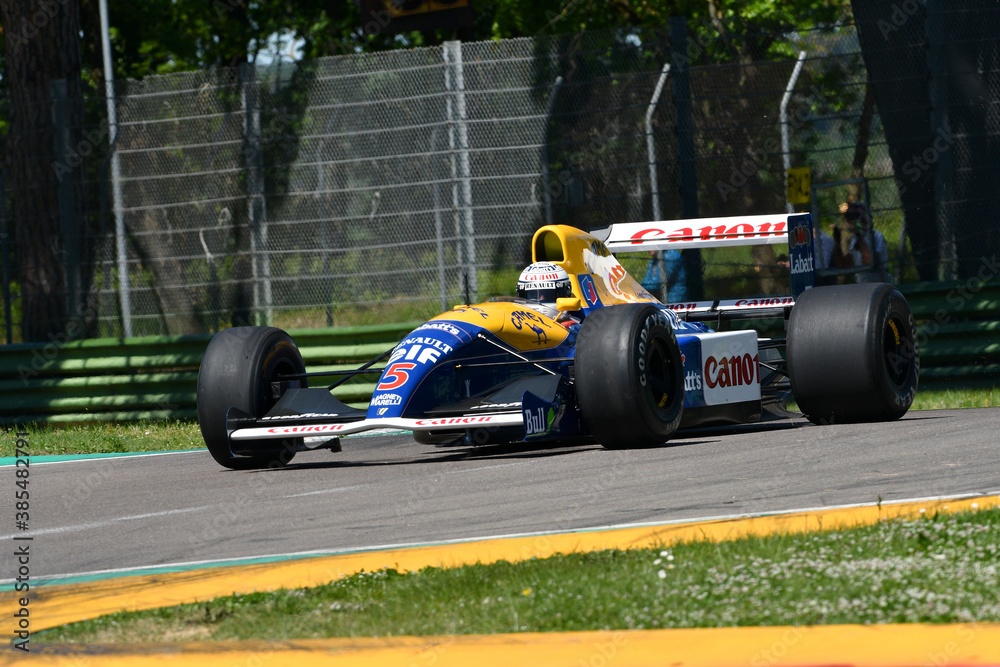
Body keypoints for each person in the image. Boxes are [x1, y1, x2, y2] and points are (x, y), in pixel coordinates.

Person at [831, 202, 889, 283]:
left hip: (880, 284)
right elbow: (845, 264)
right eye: (850, 219)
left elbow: (870, 261)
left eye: (855, 218)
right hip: (863, 286)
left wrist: (860, 238)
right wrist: (837, 242)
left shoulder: (876, 236)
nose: (853, 222)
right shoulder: (854, 239)